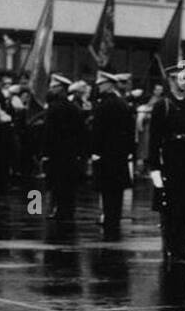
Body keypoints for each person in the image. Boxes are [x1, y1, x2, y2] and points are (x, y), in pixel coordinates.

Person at [148, 60, 185, 263]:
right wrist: (154, 168)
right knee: (169, 208)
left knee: (184, 208)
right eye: (182, 79)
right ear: (172, 80)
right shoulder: (162, 106)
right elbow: (154, 139)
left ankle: (181, 249)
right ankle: (170, 249)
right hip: (169, 160)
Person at [91, 71, 137, 239]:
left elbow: (98, 131)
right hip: (120, 155)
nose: (99, 87)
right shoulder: (123, 104)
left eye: (101, 84)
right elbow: (130, 131)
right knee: (116, 193)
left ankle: (110, 221)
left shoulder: (104, 105)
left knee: (107, 192)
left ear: (109, 84)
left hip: (105, 155)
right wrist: (130, 152)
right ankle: (113, 220)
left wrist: (95, 151)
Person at [41, 73, 86, 223]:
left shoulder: (53, 109)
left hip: (55, 154)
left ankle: (38, 209)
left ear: (61, 89)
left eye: (54, 87)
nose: (51, 90)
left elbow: (48, 133)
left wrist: (44, 152)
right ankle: (67, 212)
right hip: (71, 154)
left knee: (50, 184)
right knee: (68, 186)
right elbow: (81, 132)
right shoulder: (74, 108)